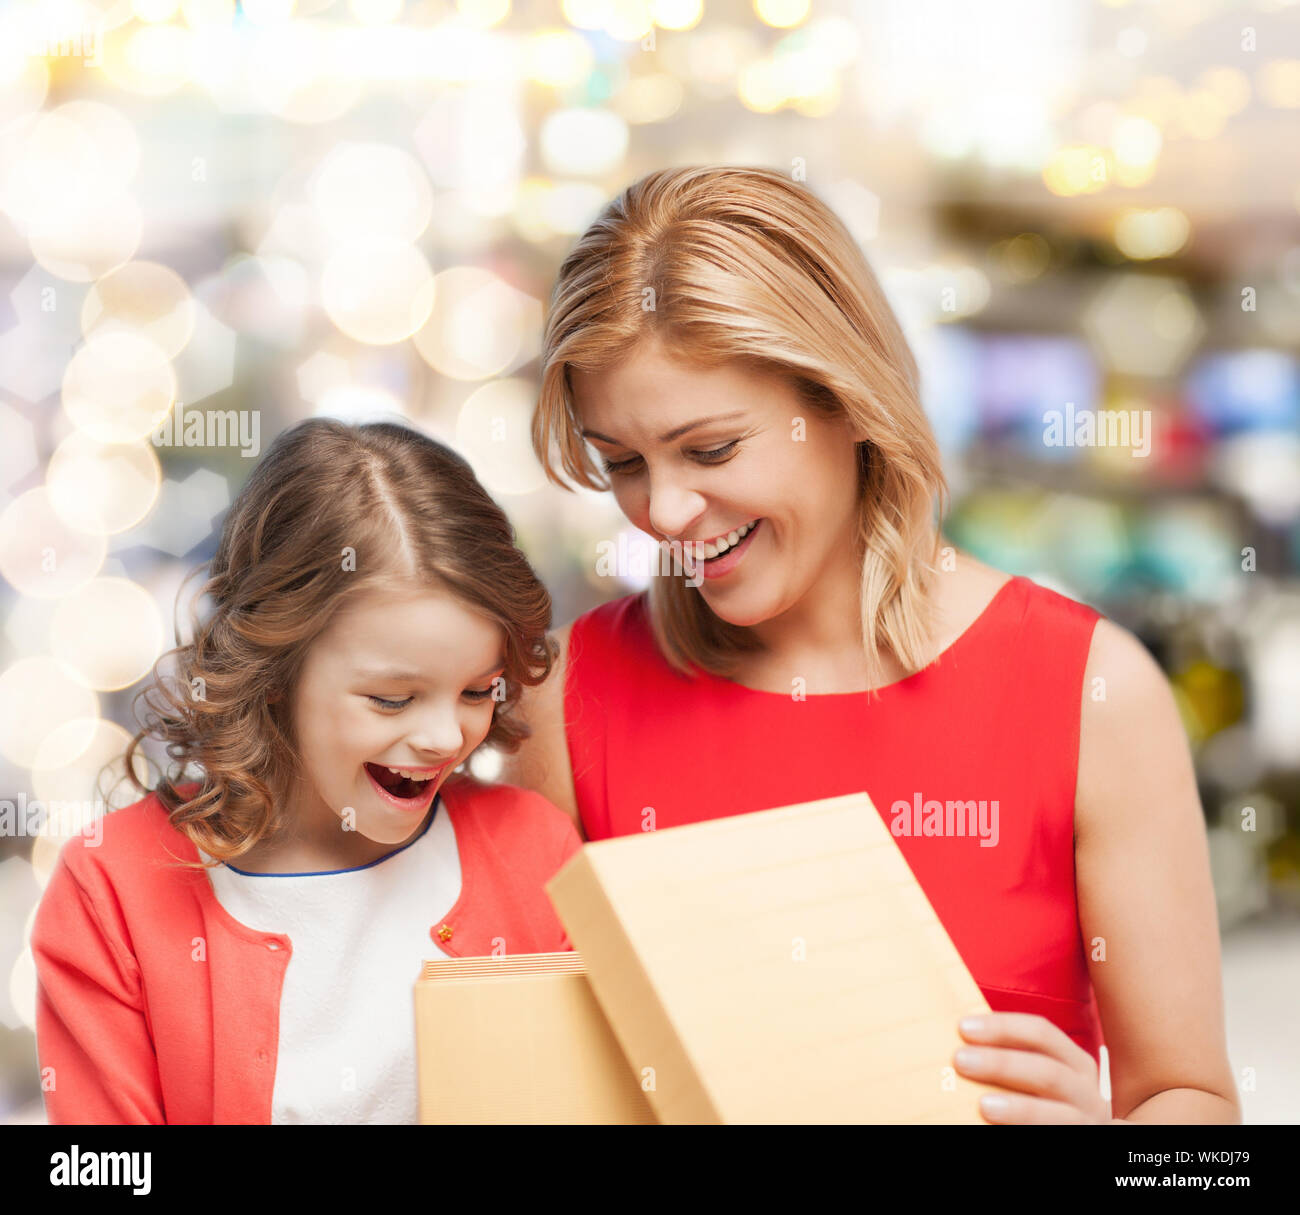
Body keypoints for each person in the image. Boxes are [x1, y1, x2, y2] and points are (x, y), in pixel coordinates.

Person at [505, 165, 1241, 1124]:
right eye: (624, 464)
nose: (666, 511)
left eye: (713, 449)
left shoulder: (1091, 692)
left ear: (846, 399)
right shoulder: (566, 701)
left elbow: (1199, 1127)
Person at [31, 419, 583, 1124]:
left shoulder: (535, 854)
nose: (448, 736)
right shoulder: (111, 890)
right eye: (392, 698)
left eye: (478, 689)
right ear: (275, 673)